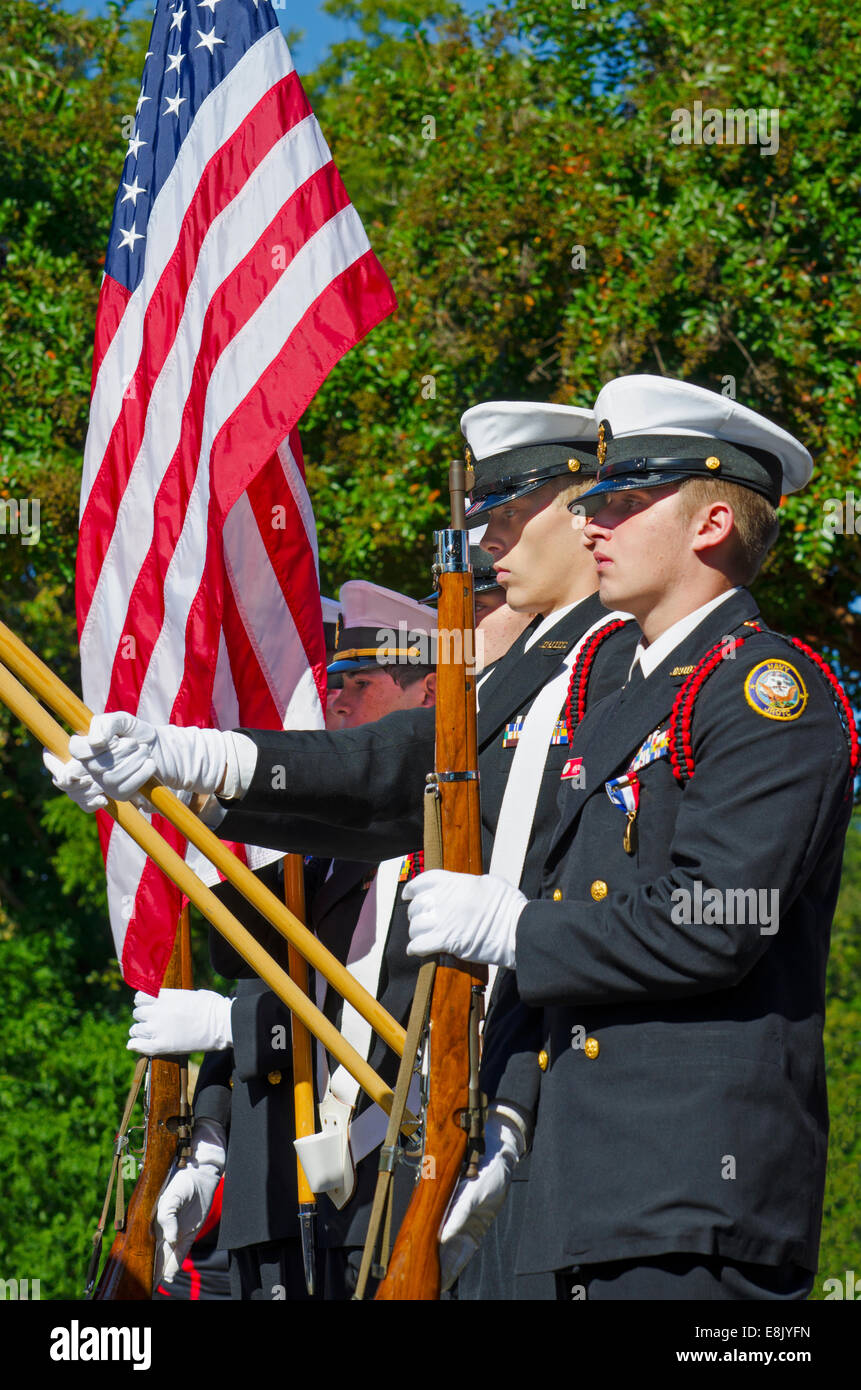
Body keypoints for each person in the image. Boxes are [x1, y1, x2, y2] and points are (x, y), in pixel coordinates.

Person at [46, 399, 640, 1292]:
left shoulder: (614, 665)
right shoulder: (549, 670)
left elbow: (386, 778)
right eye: (488, 522)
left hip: (549, 1120)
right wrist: (182, 761)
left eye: (514, 516)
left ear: (581, 505)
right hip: (411, 1137)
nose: (491, 548)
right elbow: (378, 777)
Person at [404, 375, 857, 1300]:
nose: (592, 524)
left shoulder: (770, 691)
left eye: (620, 499)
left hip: (690, 1198)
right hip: (579, 1185)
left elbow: (721, 917)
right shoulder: (611, 694)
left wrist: (516, 933)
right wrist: (511, 1112)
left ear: (710, 526)